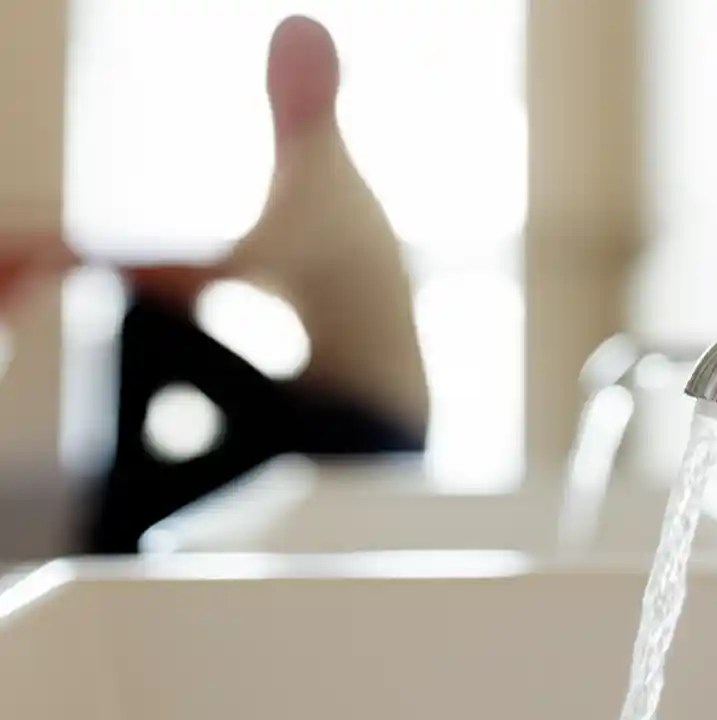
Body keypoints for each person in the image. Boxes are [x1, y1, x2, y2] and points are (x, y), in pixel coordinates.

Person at [0, 15, 430, 551]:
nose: (288, 81)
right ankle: (113, 538)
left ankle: (106, 543)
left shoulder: (324, 176)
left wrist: (60, 253)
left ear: (333, 78)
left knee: (149, 324)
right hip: (338, 413)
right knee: (164, 486)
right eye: (281, 66)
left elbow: (209, 278)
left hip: (369, 430)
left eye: (305, 67)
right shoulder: (300, 167)